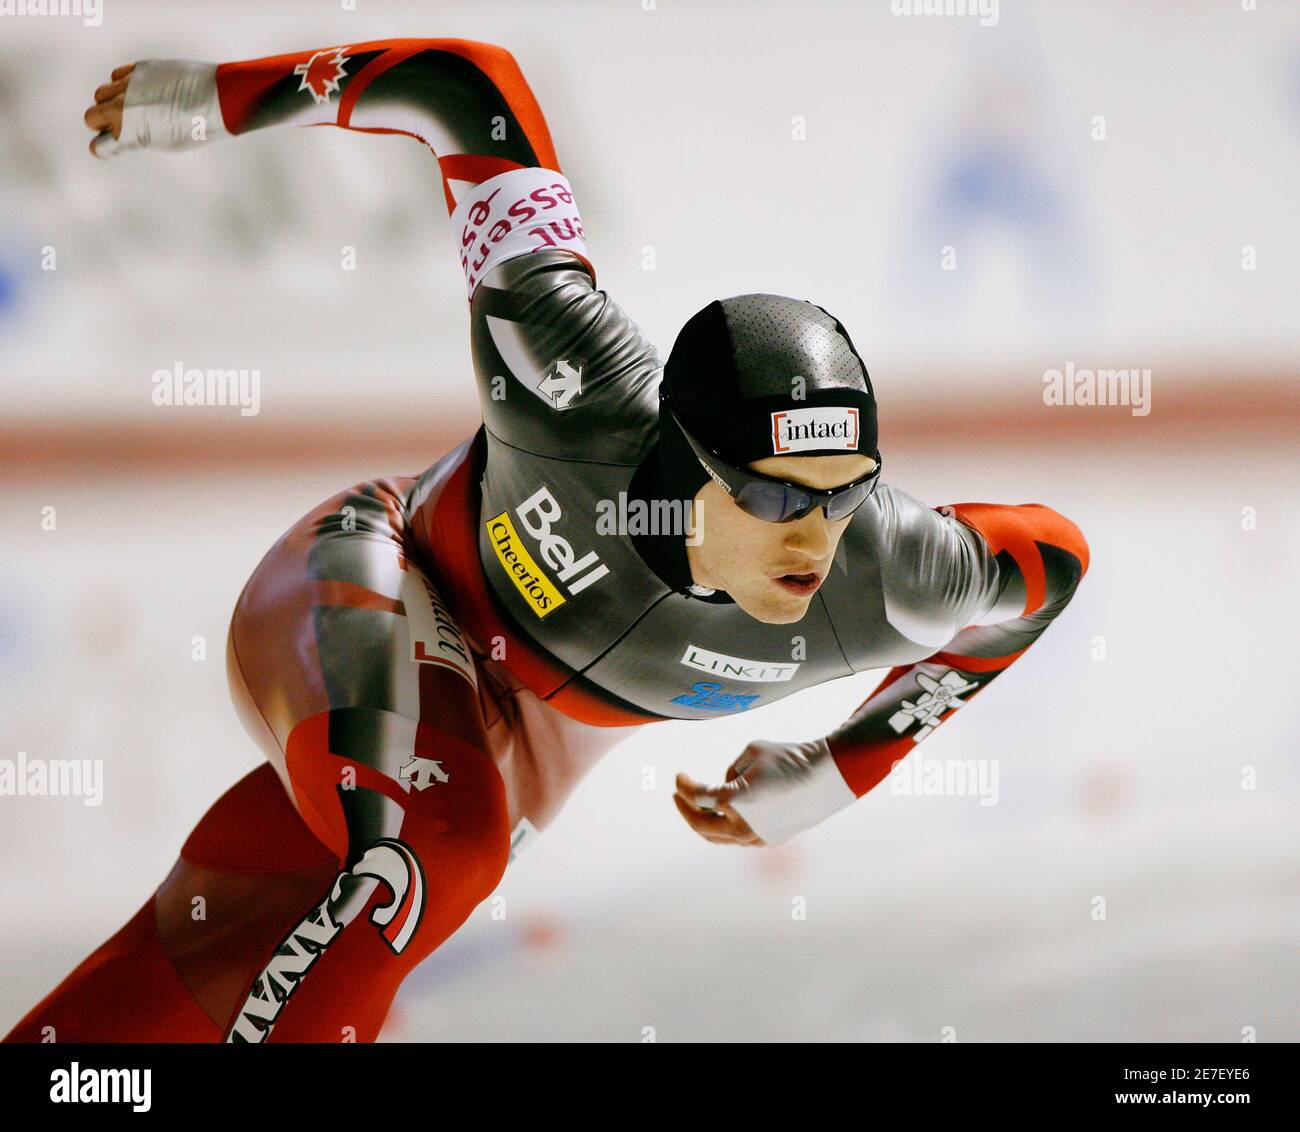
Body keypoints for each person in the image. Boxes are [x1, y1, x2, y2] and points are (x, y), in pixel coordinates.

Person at [4, 38, 1088, 1043]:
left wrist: (841, 769)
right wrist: (220, 102)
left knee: (240, 921)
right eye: (767, 499)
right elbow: (460, 83)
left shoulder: (892, 570)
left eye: (843, 494)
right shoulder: (571, 386)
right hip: (386, 573)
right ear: (683, 459)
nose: (811, 538)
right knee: (417, 856)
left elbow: (1050, 568)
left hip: (530, 741)